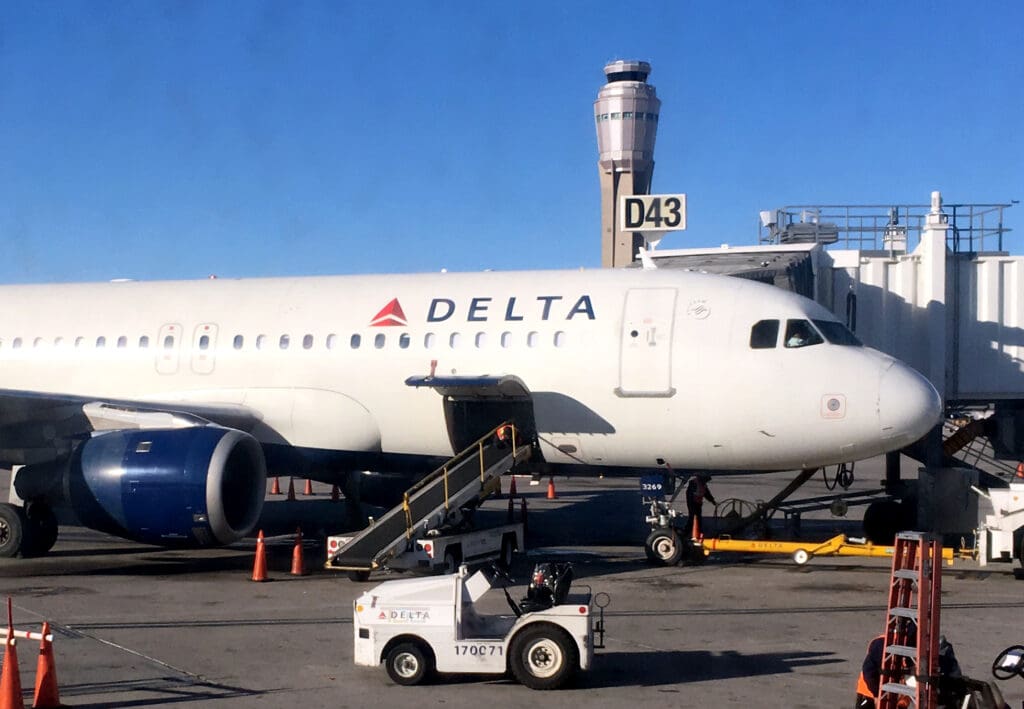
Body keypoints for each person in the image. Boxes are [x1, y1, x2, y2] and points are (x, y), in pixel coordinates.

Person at [855, 626, 963, 709]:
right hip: (870, 694)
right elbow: (868, 672)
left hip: (898, 698)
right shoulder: (882, 645)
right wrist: (877, 695)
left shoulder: (919, 650)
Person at [684, 472, 716, 540]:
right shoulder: (694, 483)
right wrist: (691, 504)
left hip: (698, 503)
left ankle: (698, 531)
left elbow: (706, 493)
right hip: (693, 503)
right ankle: (687, 532)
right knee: (693, 517)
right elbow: (690, 495)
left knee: (698, 518)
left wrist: (712, 501)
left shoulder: (703, 484)